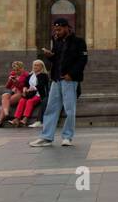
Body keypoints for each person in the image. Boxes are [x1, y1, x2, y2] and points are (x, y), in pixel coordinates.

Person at [30, 17, 88, 147]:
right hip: (56, 79)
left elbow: (82, 60)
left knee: (69, 109)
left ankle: (67, 137)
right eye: (55, 29)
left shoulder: (78, 42)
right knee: (51, 108)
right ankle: (46, 137)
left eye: (59, 29)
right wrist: (51, 56)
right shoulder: (57, 42)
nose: (57, 32)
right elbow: (57, 60)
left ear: (67, 28)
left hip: (69, 80)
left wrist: (72, 74)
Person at [12, 60, 49, 126]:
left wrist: (33, 88)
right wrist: (25, 88)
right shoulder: (31, 75)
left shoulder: (44, 75)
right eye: (34, 65)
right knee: (22, 100)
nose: (35, 66)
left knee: (30, 101)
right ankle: (16, 119)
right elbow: (26, 84)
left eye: (38, 65)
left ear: (42, 67)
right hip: (30, 94)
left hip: (39, 94)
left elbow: (41, 85)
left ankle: (25, 119)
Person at [0, 61, 28, 127]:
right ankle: (6, 114)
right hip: (13, 92)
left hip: (21, 93)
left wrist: (16, 82)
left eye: (17, 69)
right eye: (14, 69)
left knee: (5, 103)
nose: (16, 71)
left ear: (22, 68)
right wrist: (10, 80)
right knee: (4, 95)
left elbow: (23, 87)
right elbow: (7, 87)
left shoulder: (25, 75)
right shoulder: (13, 74)